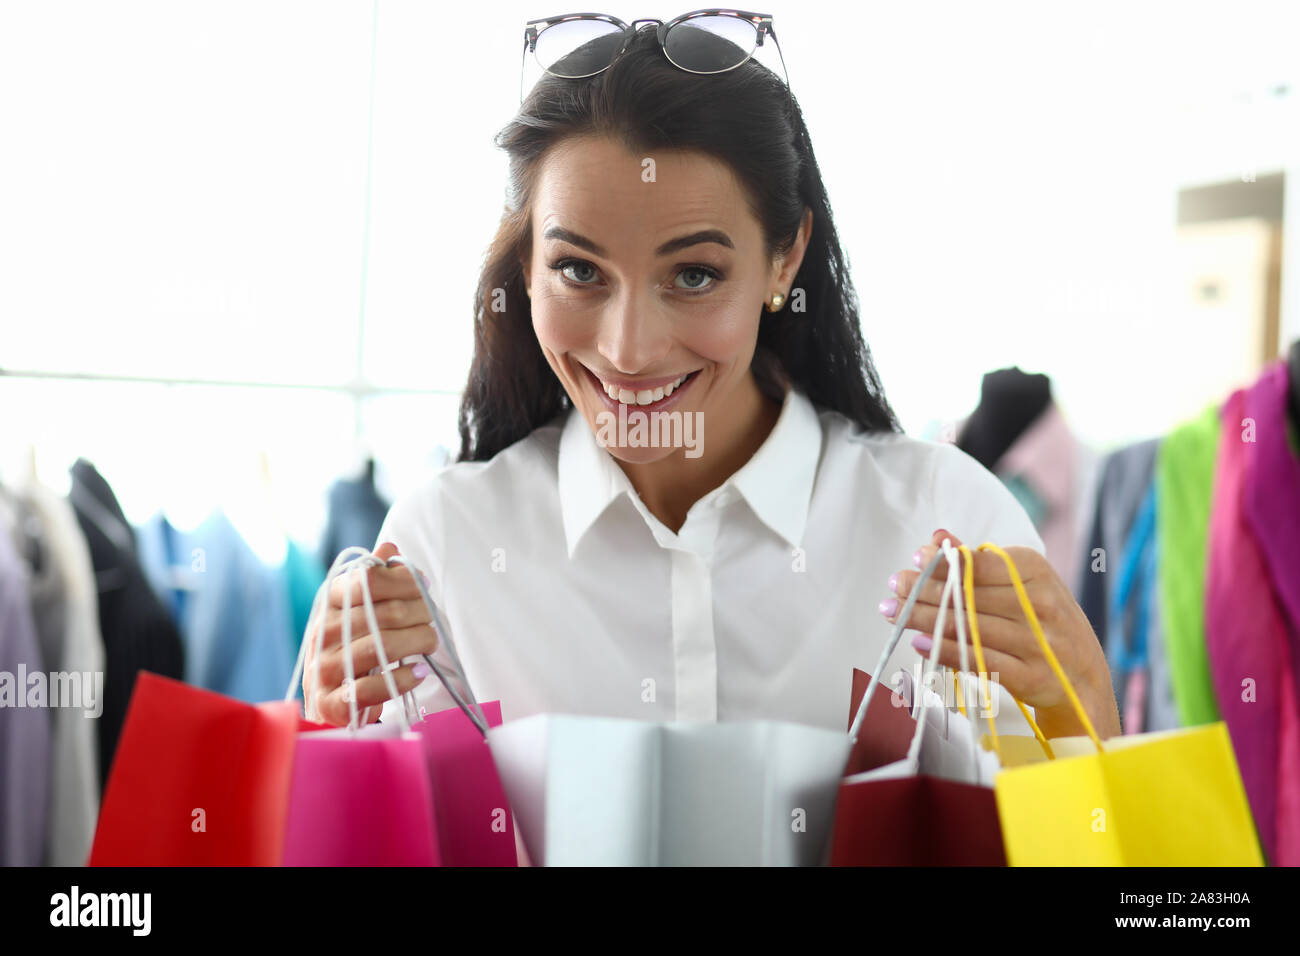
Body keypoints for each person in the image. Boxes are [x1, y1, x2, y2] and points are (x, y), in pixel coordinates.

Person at [301, 20, 1121, 744]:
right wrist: (326, 736)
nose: (627, 349)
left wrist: (1088, 718)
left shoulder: (949, 521)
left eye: (693, 275)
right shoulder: (446, 547)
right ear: (526, 264)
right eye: (579, 269)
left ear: (785, 258)